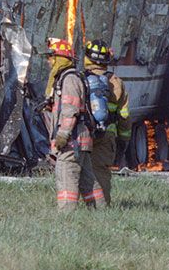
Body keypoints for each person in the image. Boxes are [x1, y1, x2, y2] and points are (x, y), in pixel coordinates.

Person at [43, 37, 102, 210]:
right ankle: (100, 210)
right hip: (80, 140)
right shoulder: (68, 78)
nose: (48, 61)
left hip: (72, 140)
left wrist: (62, 135)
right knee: (87, 180)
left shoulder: (69, 79)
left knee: (66, 173)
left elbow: (71, 109)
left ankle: (66, 213)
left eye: (51, 57)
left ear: (59, 58)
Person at [84, 40, 131, 206]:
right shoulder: (116, 82)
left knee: (79, 169)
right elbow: (124, 115)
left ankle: (79, 206)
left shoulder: (80, 78)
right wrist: (123, 141)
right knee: (101, 170)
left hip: (84, 133)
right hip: (107, 134)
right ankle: (102, 206)